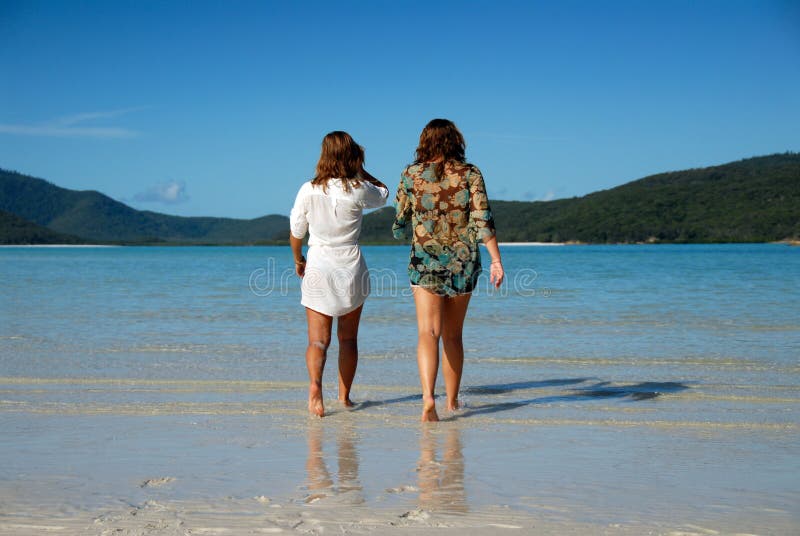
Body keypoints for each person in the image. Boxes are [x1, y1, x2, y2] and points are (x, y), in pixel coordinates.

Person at [392, 119, 504, 422]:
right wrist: (496, 260)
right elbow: (483, 218)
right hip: (463, 260)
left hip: (424, 260)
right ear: (456, 141)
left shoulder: (411, 174)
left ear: (424, 142)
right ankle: (452, 402)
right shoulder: (470, 174)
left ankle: (428, 397)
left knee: (428, 332)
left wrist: (406, 226)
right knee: (453, 335)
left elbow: (400, 217)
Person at [290, 131, 388, 417]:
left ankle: (315, 390)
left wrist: (298, 259)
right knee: (348, 340)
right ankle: (344, 398)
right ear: (351, 156)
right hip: (350, 266)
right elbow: (383, 193)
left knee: (318, 341)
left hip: (319, 264)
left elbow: (296, 233)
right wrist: (361, 169)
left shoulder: (308, 189)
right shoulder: (357, 188)